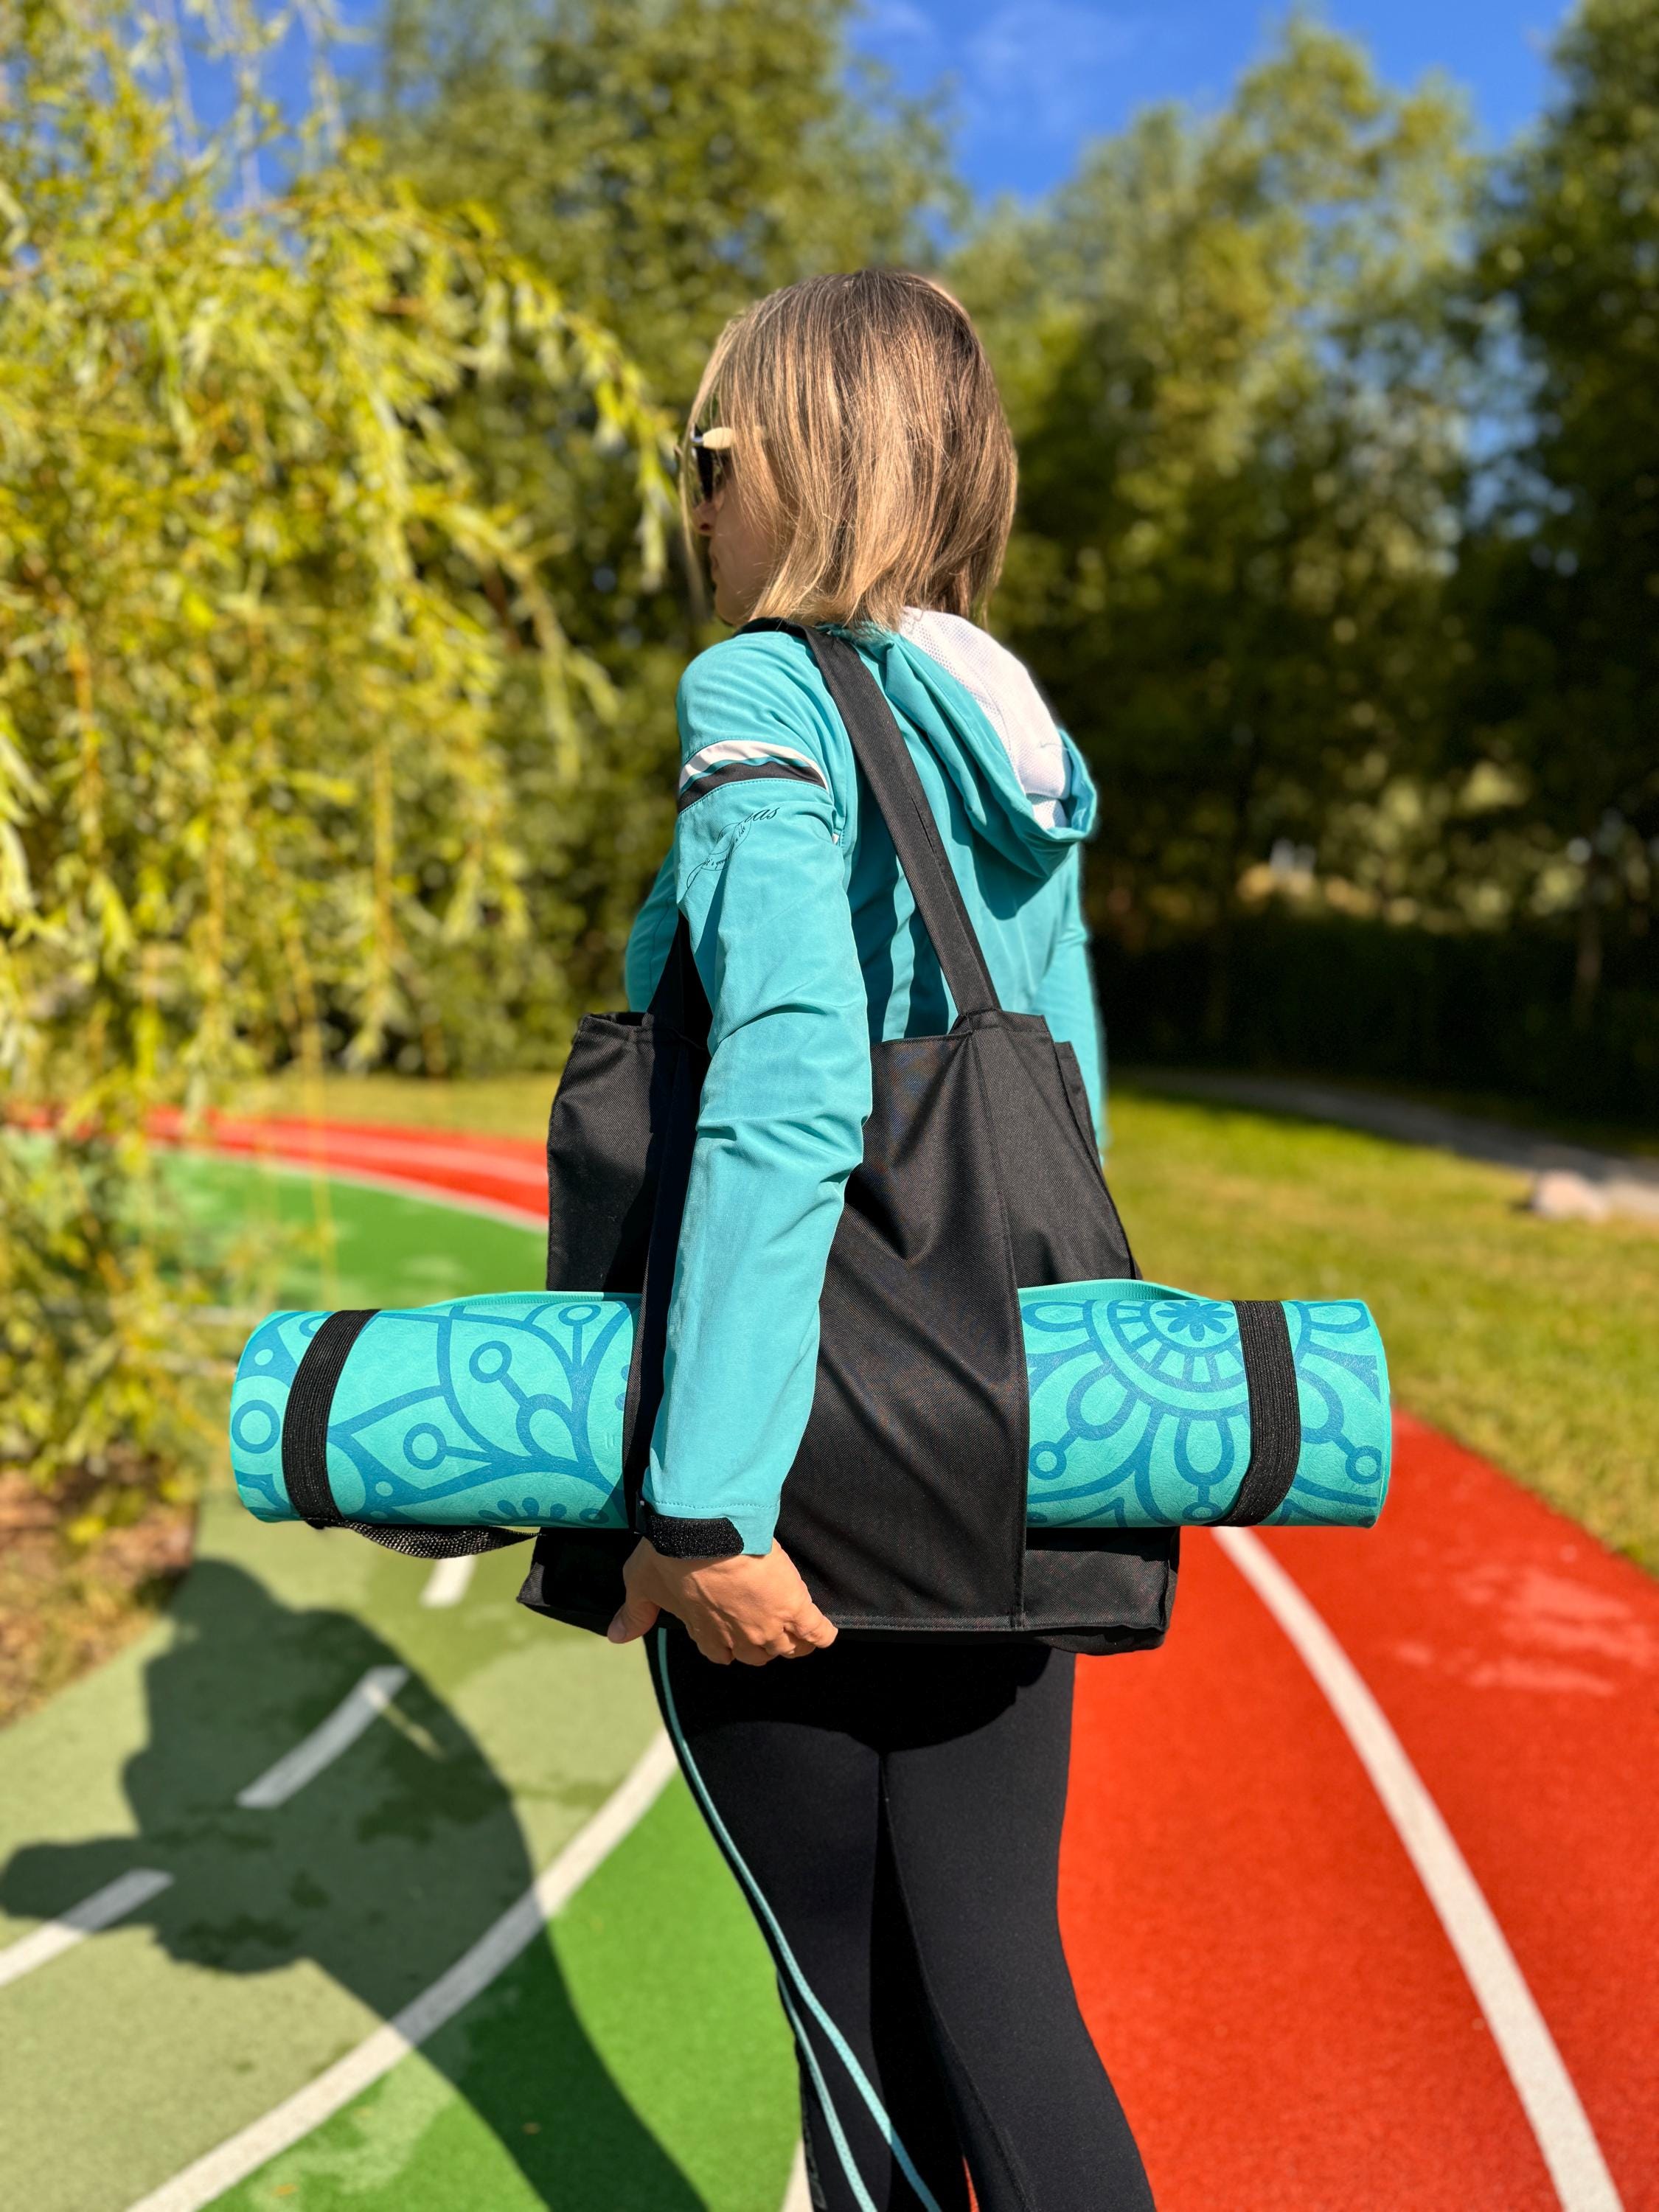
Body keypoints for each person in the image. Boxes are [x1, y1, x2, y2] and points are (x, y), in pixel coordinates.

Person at [605, 269, 1157, 2212]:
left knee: (851, 2060)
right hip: (1002, 1440)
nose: (693, 486)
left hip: (803, 1462)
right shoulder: (1011, 739)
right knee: (1000, 2006)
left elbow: (781, 1091)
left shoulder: (761, 690)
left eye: (711, 447)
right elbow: (1062, 1113)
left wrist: (703, 1507)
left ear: (796, 460)